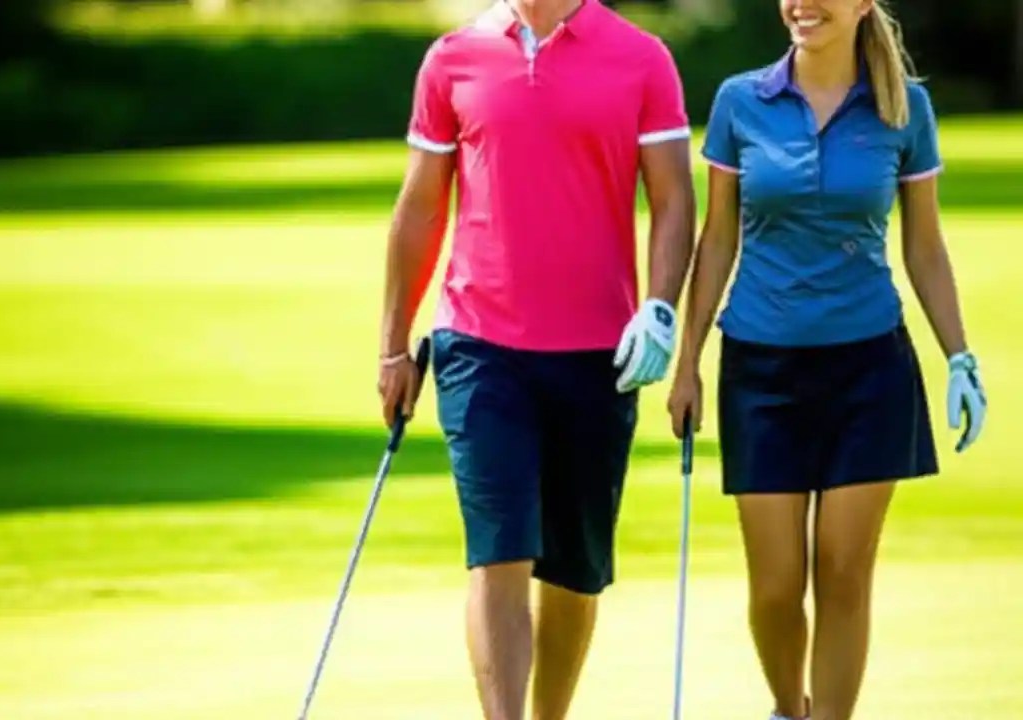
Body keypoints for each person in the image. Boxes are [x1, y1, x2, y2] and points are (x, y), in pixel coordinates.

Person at [667, 1, 988, 719]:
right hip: (761, 368)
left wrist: (959, 355)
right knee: (777, 585)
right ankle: (791, 707)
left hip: (870, 367)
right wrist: (687, 360)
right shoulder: (741, 101)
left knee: (844, 572)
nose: (801, 5)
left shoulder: (906, 108)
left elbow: (925, 246)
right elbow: (717, 240)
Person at [375, 0, 696, 717]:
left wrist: (663, 308)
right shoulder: (452, 57)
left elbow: (674, 198)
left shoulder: (641, 57)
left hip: (599, 352)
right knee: (498, 551)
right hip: (479, 346)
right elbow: (421, 206)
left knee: (574, 573)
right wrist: (394, 344)